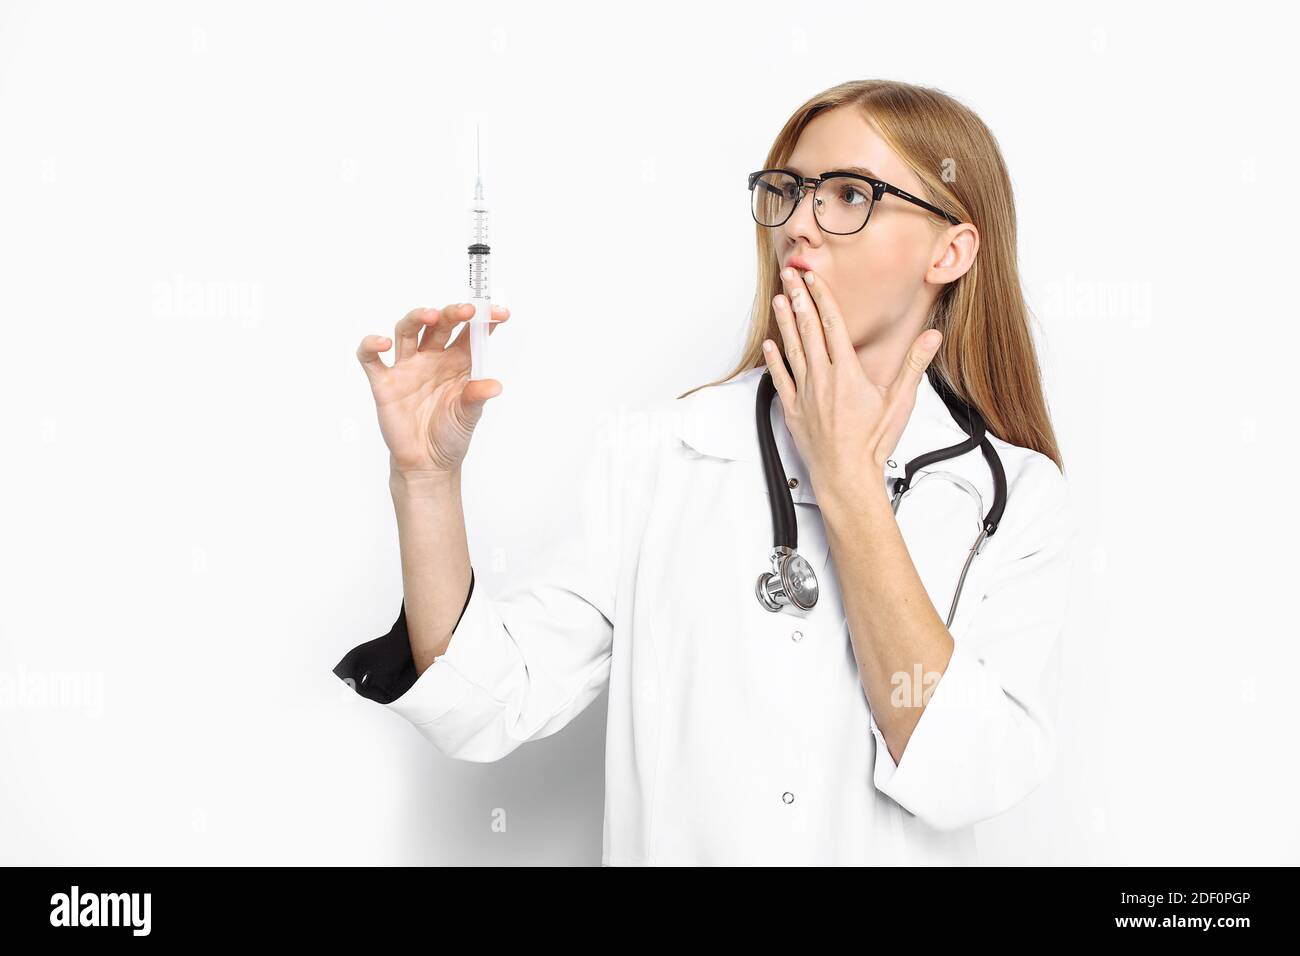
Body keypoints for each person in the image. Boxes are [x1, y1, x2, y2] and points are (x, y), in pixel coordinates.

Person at [334, 78, 1076, 866]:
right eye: (787, 192)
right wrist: (425, 482)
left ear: (951, 251)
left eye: (851, 194)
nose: (797, 225)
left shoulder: (1012, 499)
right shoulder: (664, 451)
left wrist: (849, 482)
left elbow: (964, 772)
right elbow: (490, 701)